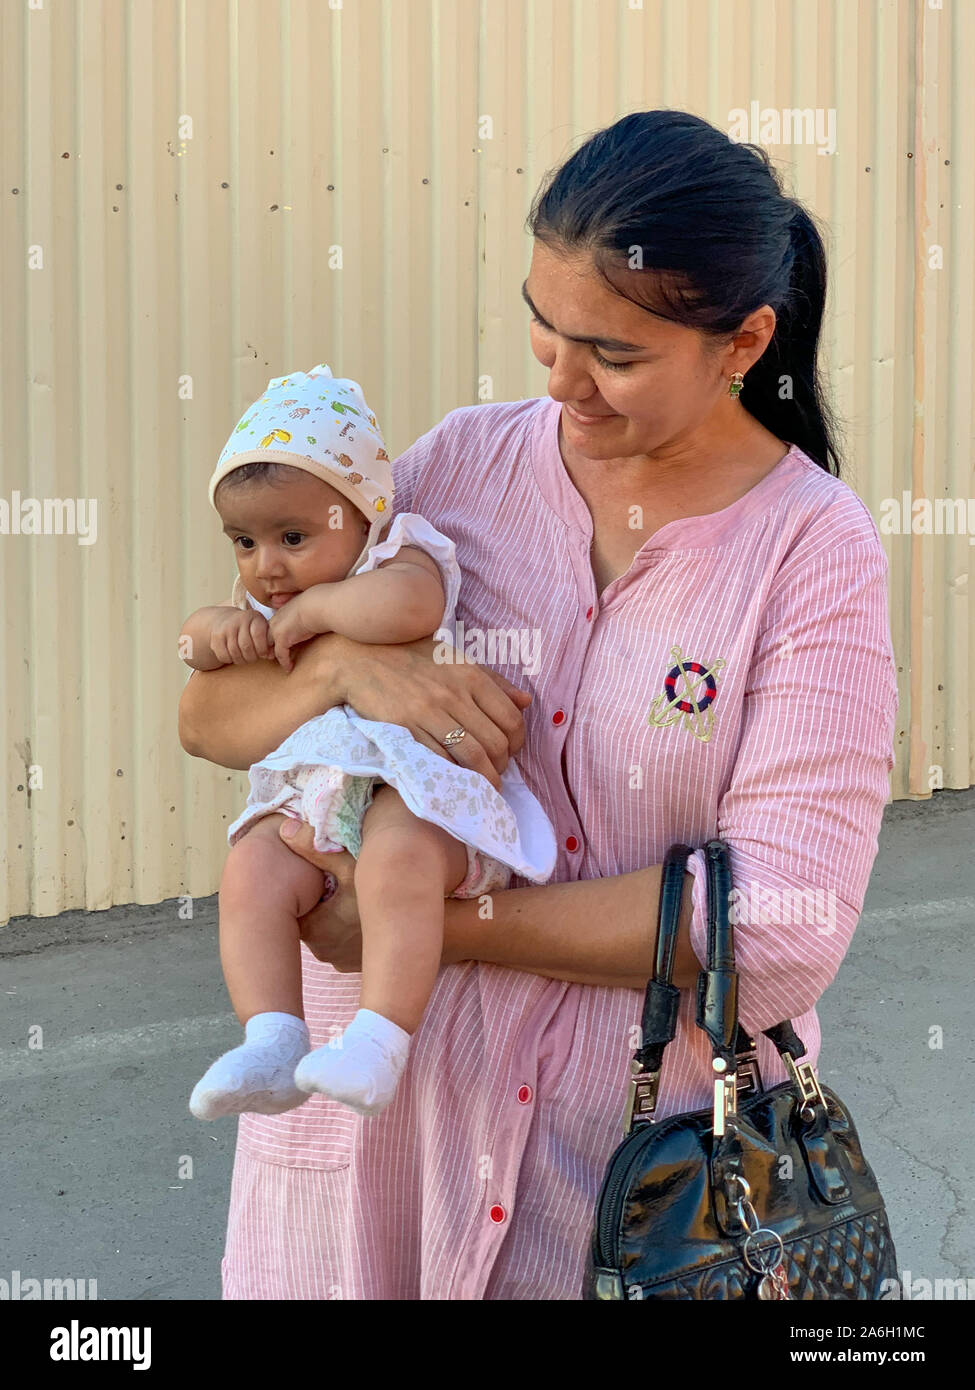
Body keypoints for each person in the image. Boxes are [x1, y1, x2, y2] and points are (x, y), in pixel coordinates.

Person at [179, 109, 898, 1300]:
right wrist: (347, 673)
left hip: (625, 1187)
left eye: (614, 353)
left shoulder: (811, 552)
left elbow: (774, 927)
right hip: (375, 1154)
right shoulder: (457, 469)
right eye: (542, 326)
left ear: (743, 342)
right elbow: (211, 722)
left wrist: (434, 927)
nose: (561, 380)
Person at [181, 365, 556, 1122]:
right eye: (244, 542)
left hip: (410, 792)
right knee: (251, 870)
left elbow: (408, 608)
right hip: (315, 803)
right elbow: (196, 679)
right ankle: (273, 1038)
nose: (268, 566)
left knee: (395, 862)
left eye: (292, 537)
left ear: (363, 515)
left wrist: (322, 609)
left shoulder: (397, 554)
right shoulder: (264, 594)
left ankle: (380, 1037)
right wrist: (216, 630)